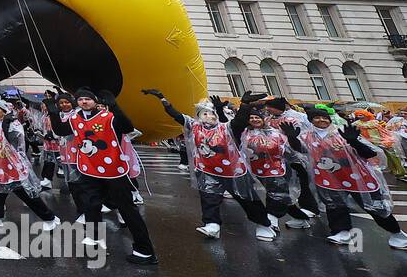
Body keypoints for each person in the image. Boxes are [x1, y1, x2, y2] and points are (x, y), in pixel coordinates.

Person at [46, 88, 157, 265]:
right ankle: (95, 237)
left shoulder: (108, 116)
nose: (83, 102)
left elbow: (127, 127)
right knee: (90, 204)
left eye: (87, 99)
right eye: (80, 99)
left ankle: (145, 250)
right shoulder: (75, 118)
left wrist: (115, 106)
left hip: (114, 170)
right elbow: (61, 131)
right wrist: (53, 113)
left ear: (95, 101)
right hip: (89, 169)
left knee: (127, 209)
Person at [148, 90, 275, 242]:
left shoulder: (226, 128)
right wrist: (163, 98)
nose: (209, 117)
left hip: (234, 172)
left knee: (248, 200)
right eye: (204, 114)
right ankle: (212, 224)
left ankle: (264, 224)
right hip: (207, 171)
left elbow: (240, 122)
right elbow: (175, 114)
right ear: (199, 116)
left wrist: (245, 105)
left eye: (211, 113)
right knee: (209, 198)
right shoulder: (194, 126)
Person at [282, 107, 407, 250]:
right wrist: (292, 137)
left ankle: (397, 234)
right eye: (316, 118)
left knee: (374, 206)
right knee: (335, 205)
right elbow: (301, 150)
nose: (321, 120)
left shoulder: (342, 132)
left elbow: (369, 153)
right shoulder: (307, 136)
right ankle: (342, 231)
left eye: (324, 118)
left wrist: (354, 141)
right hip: (328, 178)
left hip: (357, 177)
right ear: (311, 121)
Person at [231, 101, 318, 230]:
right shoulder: (245, 133)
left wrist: (293, 140)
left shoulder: (275, 133)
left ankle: (272, 220)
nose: (254, 120)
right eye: (251, 117)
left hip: (277, 170)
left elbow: (292, 151)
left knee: (276, 195)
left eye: (257, 117)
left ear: (263, 119)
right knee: (281, 197)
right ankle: (301, 219)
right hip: (257, 170)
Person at [0, 98, 61, 229]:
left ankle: (50, 218)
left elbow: (16, 143)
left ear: (4, 111)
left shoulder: (12, 124)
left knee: (26, 194)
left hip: (13, 167)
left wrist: (7, 124)